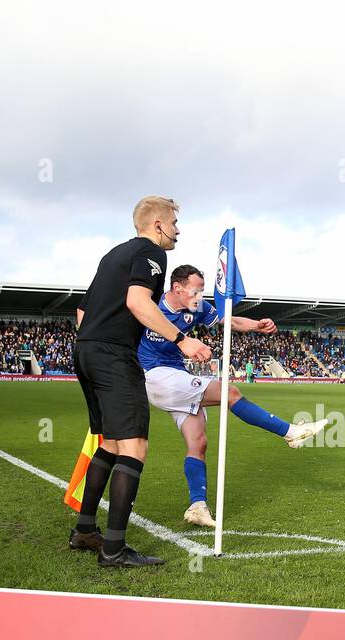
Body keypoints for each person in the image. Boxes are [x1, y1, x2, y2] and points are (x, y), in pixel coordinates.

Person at [69, 196, 213, 568]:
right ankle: (114, 550)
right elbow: (138, 302)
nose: (178, 231)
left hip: (86, 351)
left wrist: (96, 343)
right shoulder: (153, 254)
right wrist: (183, 340)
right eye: (175, 224)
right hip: (114, 356)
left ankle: (85, 530)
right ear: (159, 225)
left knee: (113, 443)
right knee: (134, 447)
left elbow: (82, 311)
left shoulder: (113, 254)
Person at [141, 264, 329, 528]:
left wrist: (257, 325)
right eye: (195, 292)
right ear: (177, 288)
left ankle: (197, 506)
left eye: (201, 292)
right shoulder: (149, 307)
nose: (199, 298)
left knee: (198, 443)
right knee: (229, 392)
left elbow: (229, 320)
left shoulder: (198, 309)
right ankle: (290, 432)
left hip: (178, 376)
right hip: (156, 376)